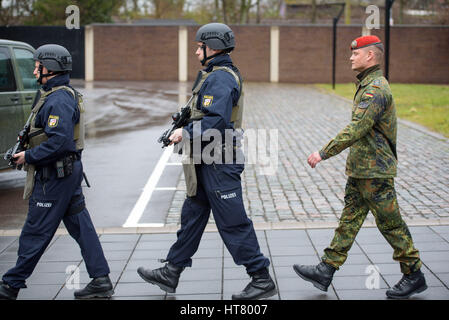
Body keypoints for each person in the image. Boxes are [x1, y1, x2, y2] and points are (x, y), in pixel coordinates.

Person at [137, 23, 277, 300]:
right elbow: (205, 114)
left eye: (199, 46)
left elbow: (217, 121)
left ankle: (261, 278)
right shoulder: (213, 75)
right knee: (192, 216)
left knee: (233, 221)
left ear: (211, 47)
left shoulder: (220, 78)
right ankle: (172, 270)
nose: (195, 50)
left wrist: (184, 132)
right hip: (207, 158)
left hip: (220, 160)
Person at [293, 35, 427, 299]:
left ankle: (414, 274)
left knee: (391, 224)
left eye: (356, 53)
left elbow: (357, 128)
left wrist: (323, 153)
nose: (351, 57)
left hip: (375, 171)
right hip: (362, 170)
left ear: (370, 56)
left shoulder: (374, 89)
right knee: (349, 221)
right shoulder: (367, 85)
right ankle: (326, 269)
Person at [0, 44, 113, 300]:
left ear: (49, 68)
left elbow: (59, 142)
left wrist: (28, 156)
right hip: (66, 174)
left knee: (36, 230)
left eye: (37, 65)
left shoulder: (59, 99)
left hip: (55, 176)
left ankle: (10, 285)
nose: (34, 69)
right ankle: (101, 279)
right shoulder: (54, 94)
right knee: (81, 227)